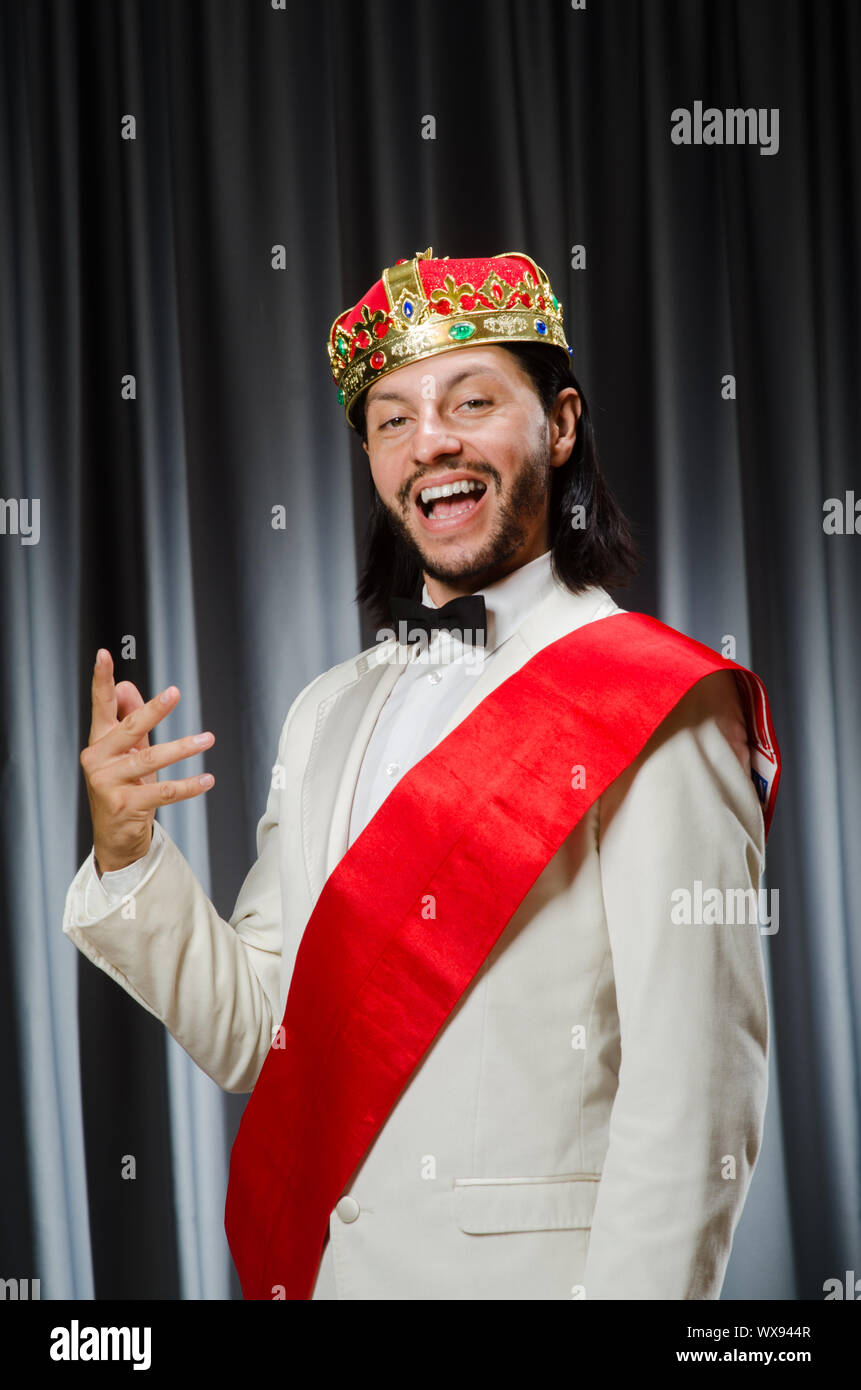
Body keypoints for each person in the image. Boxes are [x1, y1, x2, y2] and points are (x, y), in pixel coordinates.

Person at [64, 248, 781, 1301]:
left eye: (473, 399)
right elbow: (266, 1028)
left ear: (563, 424)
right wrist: (131, 854)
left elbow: (695, 1106)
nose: (429, 441)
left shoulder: (662, 703)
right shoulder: (327, 712)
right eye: (391, 417)